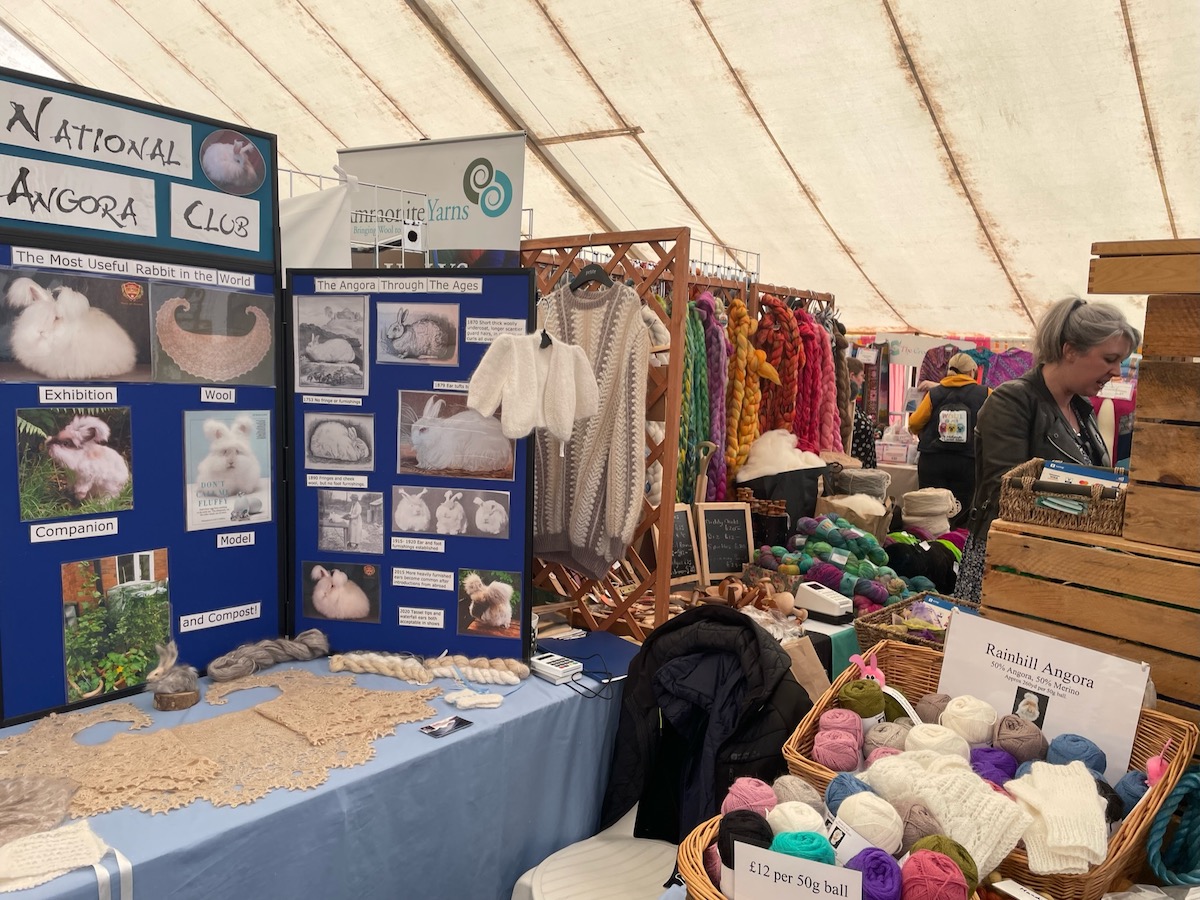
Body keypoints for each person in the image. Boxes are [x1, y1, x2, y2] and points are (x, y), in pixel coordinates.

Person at [954, 297, 1140, 601]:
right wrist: (1088, 506)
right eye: (1109, 359)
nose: (1116, 371)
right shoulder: (1012, 402)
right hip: (1009, 569)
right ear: (1070, 350)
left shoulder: (1083, 410)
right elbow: (1006, 496)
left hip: (1059, 566)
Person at [907, 352, 990, 525]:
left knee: (930, 509)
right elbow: (996, 424)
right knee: (961, 512)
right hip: (968, 461)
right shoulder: (986, 394)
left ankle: (927, 545)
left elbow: (914, 423)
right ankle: (954, 546)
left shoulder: (935, 393)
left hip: (933, 460)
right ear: (971, 372)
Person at [846, 357, 877, 468]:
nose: (863, 380)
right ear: (851, 376)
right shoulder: (845, 404)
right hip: (853, 469)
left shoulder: (853, 404)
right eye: (862, 376)